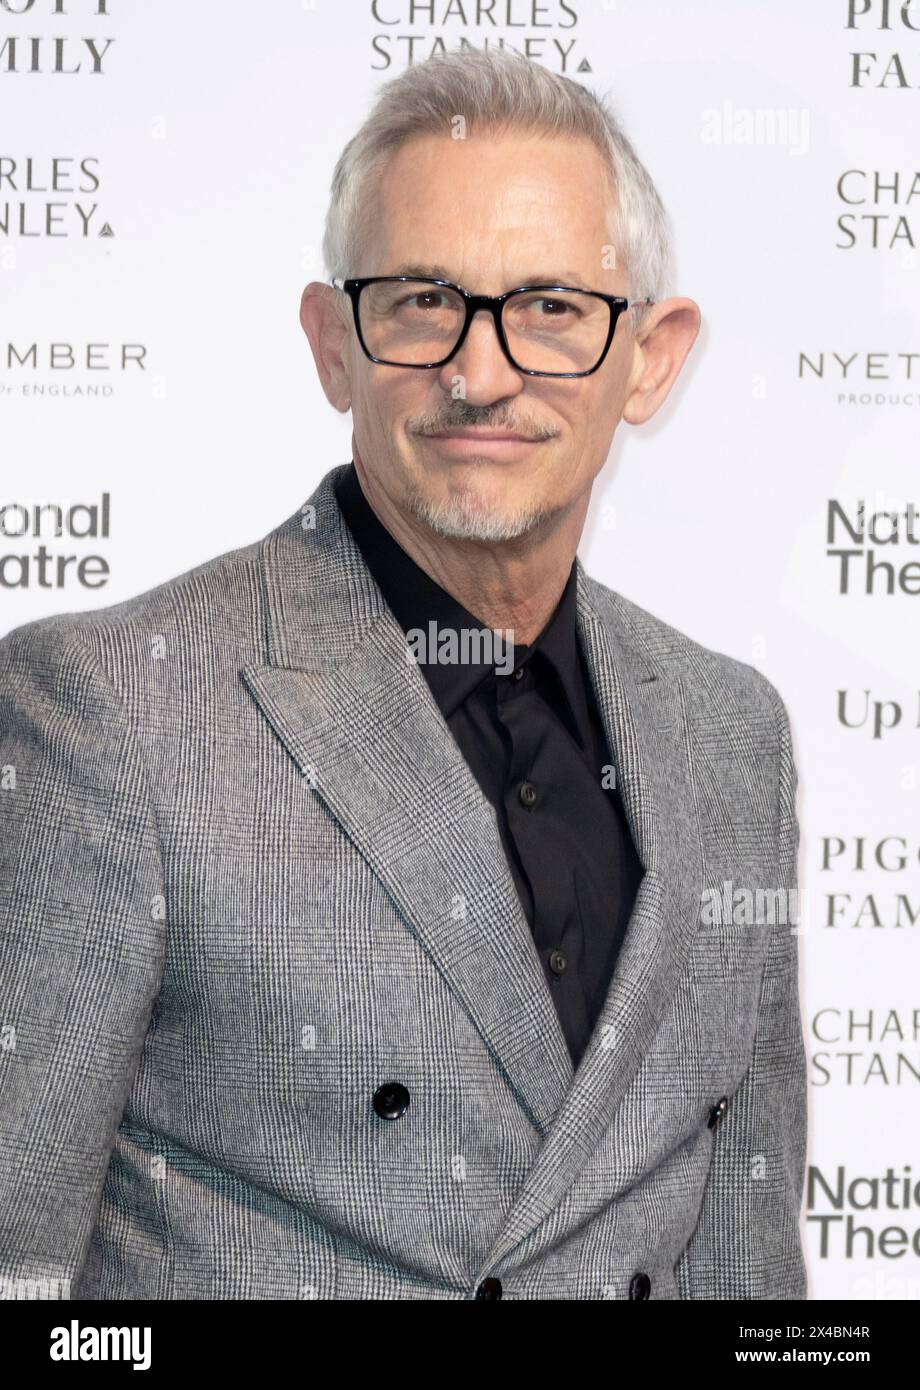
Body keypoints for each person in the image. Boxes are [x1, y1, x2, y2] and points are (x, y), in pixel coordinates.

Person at [0, 47, 807, 1300]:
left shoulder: (725, 732)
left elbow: (745, 1280)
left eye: (548, 307)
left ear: (649, 357)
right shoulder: (107, 713)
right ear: (333, 343)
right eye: (423, 301)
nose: (478, 374)